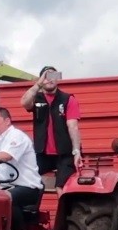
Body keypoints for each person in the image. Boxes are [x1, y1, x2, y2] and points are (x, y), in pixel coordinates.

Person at [20, 65, 82, 194]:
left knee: (61, 187)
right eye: (46, 76)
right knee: (27, 181)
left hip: (65, 154)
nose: (50, 79)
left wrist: (76, 152)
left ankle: (64, 208)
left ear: (58, 79)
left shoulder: (68, 99)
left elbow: (73, 127)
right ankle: (31, 207)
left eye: (53, 76)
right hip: (42, 154)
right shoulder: (36, 98)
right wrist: (38, 84)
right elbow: (24, 103)